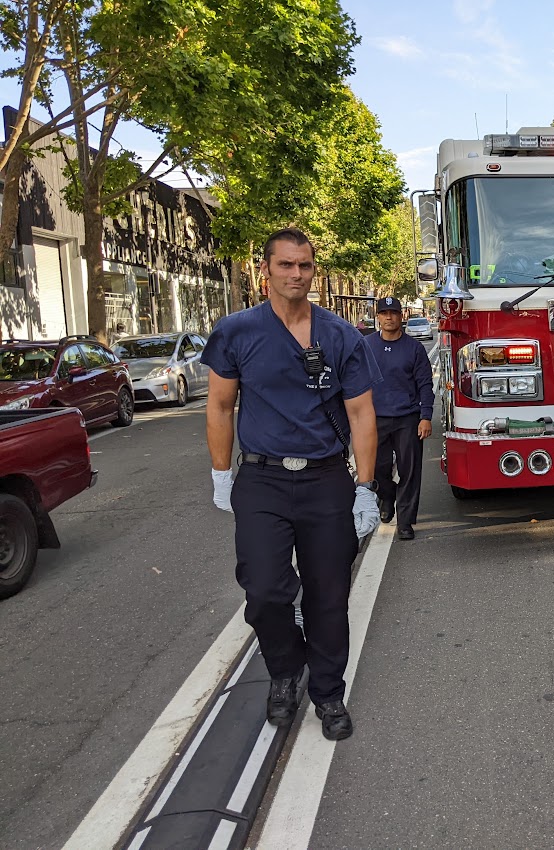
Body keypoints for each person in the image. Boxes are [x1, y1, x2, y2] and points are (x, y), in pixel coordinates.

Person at [203, 227, 381, 742]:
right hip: (262, 478)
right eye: (285, 264)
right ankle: (285, 670)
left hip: (327, 479)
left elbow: (361, 414)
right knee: (264, 591)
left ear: (313, 270)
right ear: (266, 269)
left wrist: (365, 487)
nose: (296, 274)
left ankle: (327, 693)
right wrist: (220, 473)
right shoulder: (236, 331)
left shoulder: (341, 336)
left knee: (329, 595)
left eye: (304, 265)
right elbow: (220, 406)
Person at [364, 295, 434, 541]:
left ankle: (405, 522)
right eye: (384, 313)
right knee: (376, 468)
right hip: (375, 418)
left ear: (401, 316)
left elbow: (425, 384)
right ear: (378, 317)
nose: (389, 318)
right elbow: (355, 381)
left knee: (410, 471)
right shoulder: (366, 345)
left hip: (407, 418)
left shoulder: (414, 348)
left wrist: (426, 416)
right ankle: (387, 495)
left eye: (393, 313)